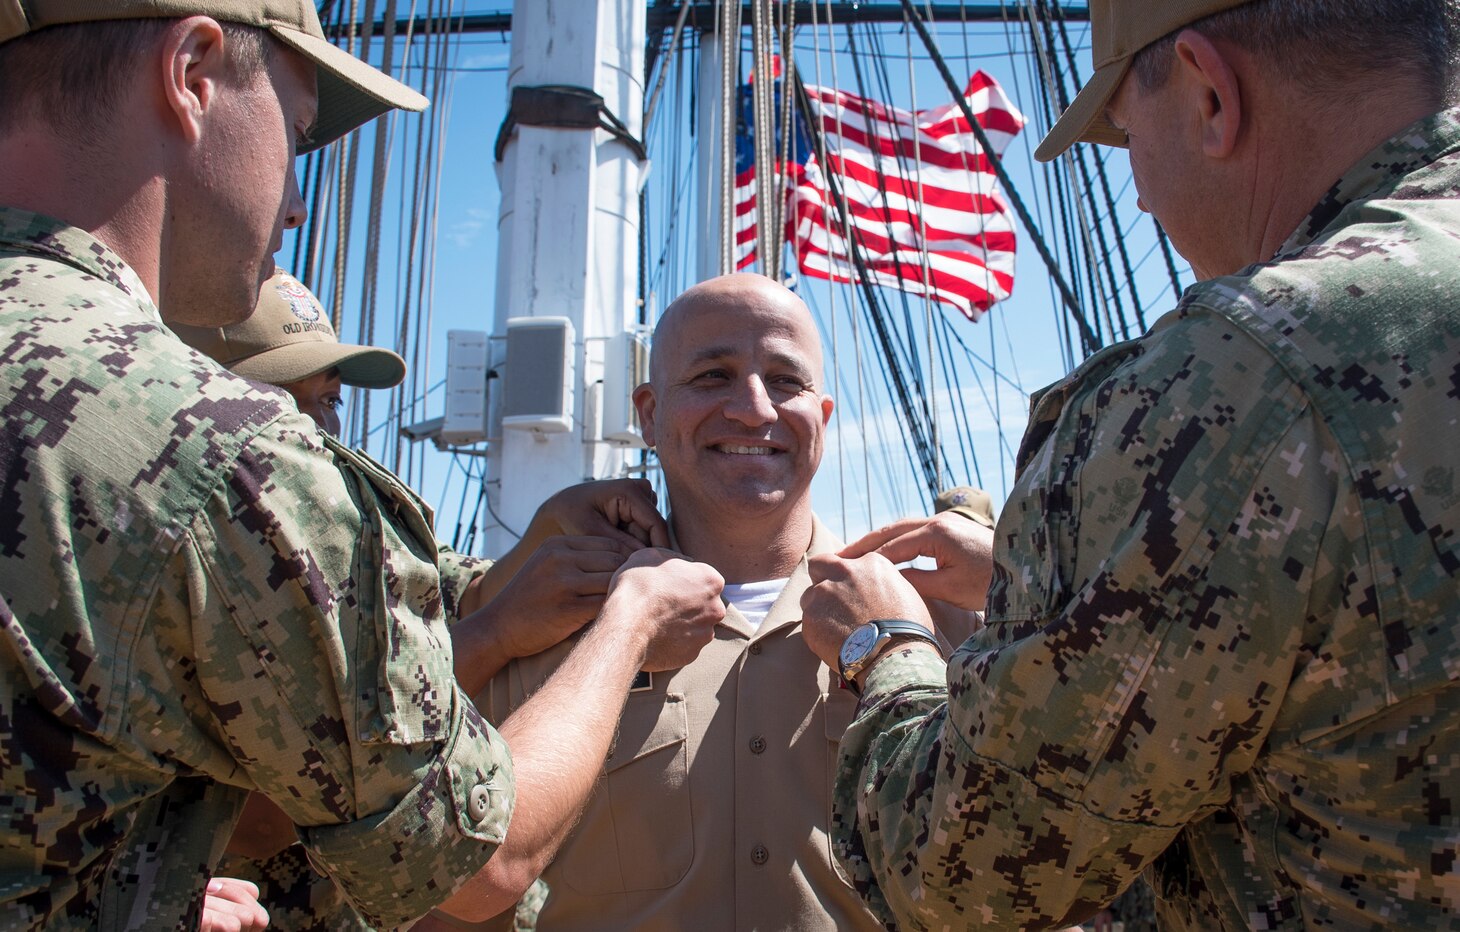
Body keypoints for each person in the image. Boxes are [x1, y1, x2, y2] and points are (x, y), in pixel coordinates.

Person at [0, 5, 725, 929]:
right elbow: (479, 856)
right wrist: (629, 622)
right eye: (297, 135)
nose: (298, 201)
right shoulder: (213, 447)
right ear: (191, 72)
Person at [799, 0, 1460, 929]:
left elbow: (968, 875)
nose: (1139, 193)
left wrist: (888, 649)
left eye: (1124, 130)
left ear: (1208, 92)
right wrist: (1096, 596)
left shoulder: (1237, 377)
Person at [465, 273, 977, 932]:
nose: (755, 409)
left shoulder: (935, 625)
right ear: (649, 414)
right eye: (712, 377)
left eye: (787, 381)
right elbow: (460, 888)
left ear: (821, 418)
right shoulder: (555, 622)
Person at [177, 269, 639, 929]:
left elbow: (438, 587)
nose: (314, 430)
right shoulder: (190, 546)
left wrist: (551, 527)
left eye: (329, 399)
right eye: (281, 400)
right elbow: (260, 815)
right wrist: (506, 635)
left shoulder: (342, 516)